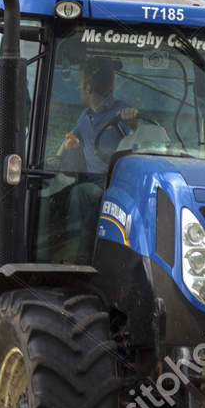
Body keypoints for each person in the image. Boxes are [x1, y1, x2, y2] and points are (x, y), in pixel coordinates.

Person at [54, 57, 138, 261]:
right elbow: (71, 139)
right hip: (89, 179)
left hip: (113, 185)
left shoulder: (122, 112)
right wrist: (57, 156)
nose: (78, 88)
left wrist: (134, 123)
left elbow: (139, 138)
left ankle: (78, 255)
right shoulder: (86, 116)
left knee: (82, 193)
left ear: (88, 87)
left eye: (80, 84)